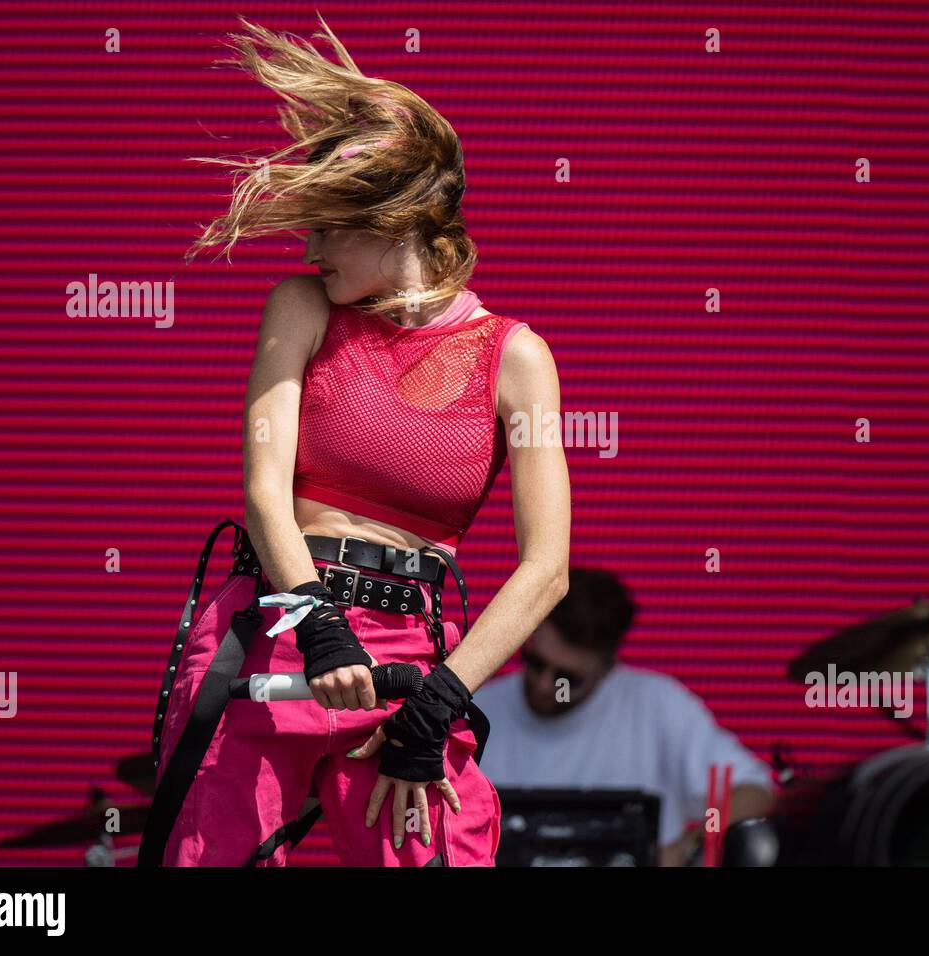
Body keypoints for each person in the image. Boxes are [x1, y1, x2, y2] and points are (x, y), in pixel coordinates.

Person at [144, 14, 570, 867]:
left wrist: (441, 701)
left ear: (398, 221)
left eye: (331, 225)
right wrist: (319, 626)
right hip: (280, 626)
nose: (310, 246)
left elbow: (546, 566)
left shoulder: (516, 357)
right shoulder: (299, 307)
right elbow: (265, 489)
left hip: (411, 660)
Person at [475, 568, 778, 866]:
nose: (543, 684)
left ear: (608, 667)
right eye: (535, 663)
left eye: (566, 678)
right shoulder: (478, 710)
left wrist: (686, 848)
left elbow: (755, 792)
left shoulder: (657, 705)